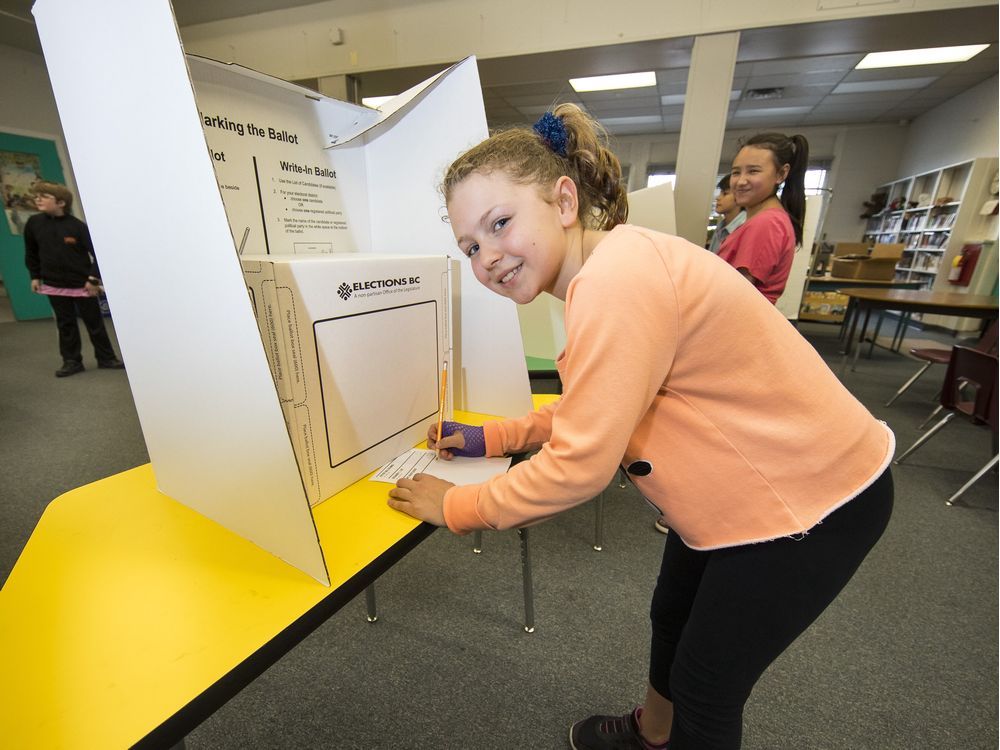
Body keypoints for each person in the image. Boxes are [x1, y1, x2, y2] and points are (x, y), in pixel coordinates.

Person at [386, 105, 893, 750]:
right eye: (471, 246)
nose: (488, 256)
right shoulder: (607, 269)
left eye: (501, 223)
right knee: (672, 617)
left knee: (708, 685)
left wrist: (459, 506)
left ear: (563, 199)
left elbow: (580, 467)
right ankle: (653, 735)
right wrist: (496, 438)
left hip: (811, 501)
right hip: (745, 493)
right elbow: (600, 405)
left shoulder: (615, 282)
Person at [23, 181, 124, 377]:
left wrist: (93, 279)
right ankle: (71, 361)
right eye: (36, 196)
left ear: (61, 202)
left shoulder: (77, 227)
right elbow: (31, 252)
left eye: (44, 196)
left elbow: (98, 254)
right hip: (54, 284)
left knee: (94, 323)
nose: (38, 199)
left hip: (83, 284)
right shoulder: (34, 224)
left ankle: (106, 358)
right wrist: (34, 276)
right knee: (65, 323)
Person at [717, 132, 809, 303]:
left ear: (781, 174)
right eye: (736, 172)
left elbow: (736, 298)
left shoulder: (767, 223)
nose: (741, 181)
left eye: (753, 171)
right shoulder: (769, 220)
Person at [705, 174, 745, 254]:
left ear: (741, 196)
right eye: (720, 192)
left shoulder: (744, 228)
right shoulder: (722, 226)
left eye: (725, 193)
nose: (718, 198)